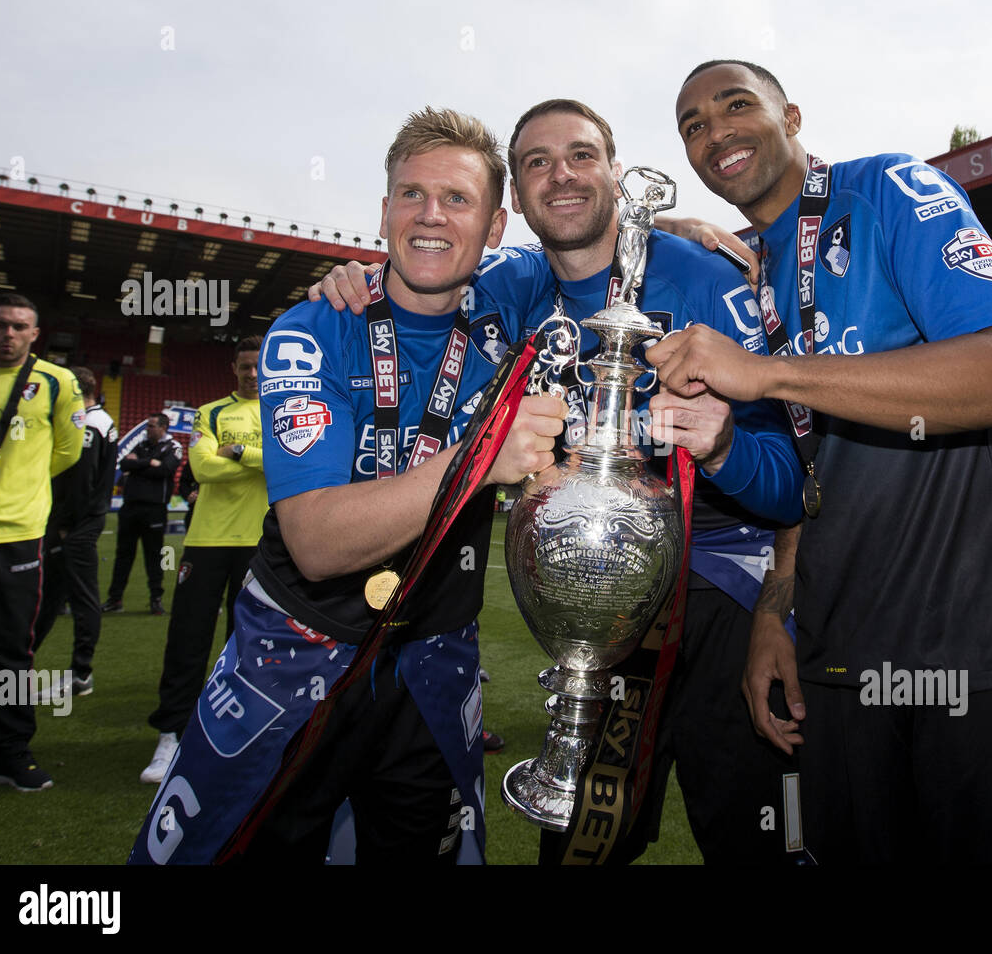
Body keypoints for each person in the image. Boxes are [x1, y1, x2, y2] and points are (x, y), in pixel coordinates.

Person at [313, 98, 806, 864]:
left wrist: (723, 447)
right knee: (578, 848)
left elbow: (789, 487)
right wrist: (355, 282)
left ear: (614, 171)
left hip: (715, 602)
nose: (561, 174)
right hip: (586, 603)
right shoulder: (511, 287)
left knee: (756, 842)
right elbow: (422, 279)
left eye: (581, 155)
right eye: (537, 162)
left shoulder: (709, 284)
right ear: (516, 201)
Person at [649, 59, 992, 861]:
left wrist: (766, 373)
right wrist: (773, 613)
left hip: (975, 653)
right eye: (693, 124)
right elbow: (815, 470)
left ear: (791, 116)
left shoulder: (889, 190)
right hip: (839, 663)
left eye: (735, 105)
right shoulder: (758, 279)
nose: (714, 130)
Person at [129, 106, 567, 864]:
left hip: (434, 658)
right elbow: (318, 542)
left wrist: (680, 229)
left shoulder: (517, 292)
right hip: (297, 651)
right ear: (385, 209)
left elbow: (600, 247)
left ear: (497, 228)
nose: (431, 217)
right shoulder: (313, 326)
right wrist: (479, 457)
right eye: (411, 195)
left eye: (458, 200)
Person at [0, 293, 85, 790]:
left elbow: (66, 451)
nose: (9, 335)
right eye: (1, 325)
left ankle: (9, 753)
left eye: (20, 327)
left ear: (35, 334)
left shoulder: (59, 383)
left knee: (9, 653)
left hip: (16, 538)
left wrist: (21, 490)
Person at [140, 336, 267, 784]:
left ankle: (238, 731)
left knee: (248, 644)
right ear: (233, 368)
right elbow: (202, 469)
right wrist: (257, 459)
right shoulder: (210, 412)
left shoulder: (281, 407)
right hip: (207, 541)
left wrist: (237, 451)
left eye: (258, 366)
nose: (252, 374)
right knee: (187, 638)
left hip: (261, 543)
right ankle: (171, 734)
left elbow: (285, 462)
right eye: (245, 367)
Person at [33, 366, 119, 700]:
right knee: (50, 595)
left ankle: (81, 673)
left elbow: (81, 483)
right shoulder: (102, 421)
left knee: (81, 597)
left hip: (77, 524)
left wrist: (66, 524)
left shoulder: (89, 423)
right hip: (81, 520)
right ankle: (17, 664)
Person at [103, 412, 181, 615]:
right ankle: (115, 599)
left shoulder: (173, 447)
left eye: (152, 426)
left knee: (153, 556)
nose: (148, 429)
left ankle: (156, 599)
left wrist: (139, 464)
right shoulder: (142, 445)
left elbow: (165, 470)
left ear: (163, 427)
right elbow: (125, 465)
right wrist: (149, 463)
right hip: (130, 507)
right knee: (123, 555)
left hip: (154, 508)